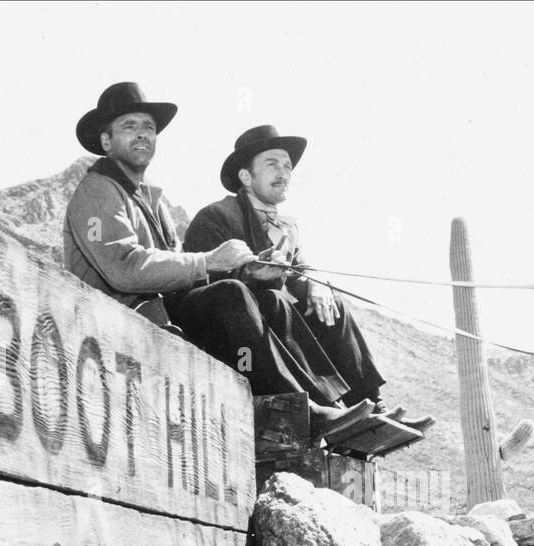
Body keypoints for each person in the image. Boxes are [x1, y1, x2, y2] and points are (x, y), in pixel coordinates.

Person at [62, 83, 373, 440]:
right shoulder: (98, 188)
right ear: (105, 142)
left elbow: (176, 270)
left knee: (256, 297)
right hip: (118, 325)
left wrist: (250, 272)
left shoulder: (151, 200)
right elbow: (123, 268)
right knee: (229, 296)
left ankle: (325, 405)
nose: (142, 135)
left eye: (148, 127)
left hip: (158, 318)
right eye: (129, 127)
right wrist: (209, 262)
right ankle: (298, 410)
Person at [183, 125, 432, 433]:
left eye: (287, 166)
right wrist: (251, 274)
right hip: (228, 336)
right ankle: (313, 406)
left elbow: (302, 268)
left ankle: (371, 406)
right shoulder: (217, 216)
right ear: (246, 177)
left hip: (271, 321)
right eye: (272, 164)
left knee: (330, 303)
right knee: (275, 300)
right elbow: (206, 287)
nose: (283, 173)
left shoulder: (287, 229)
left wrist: (315, 281)